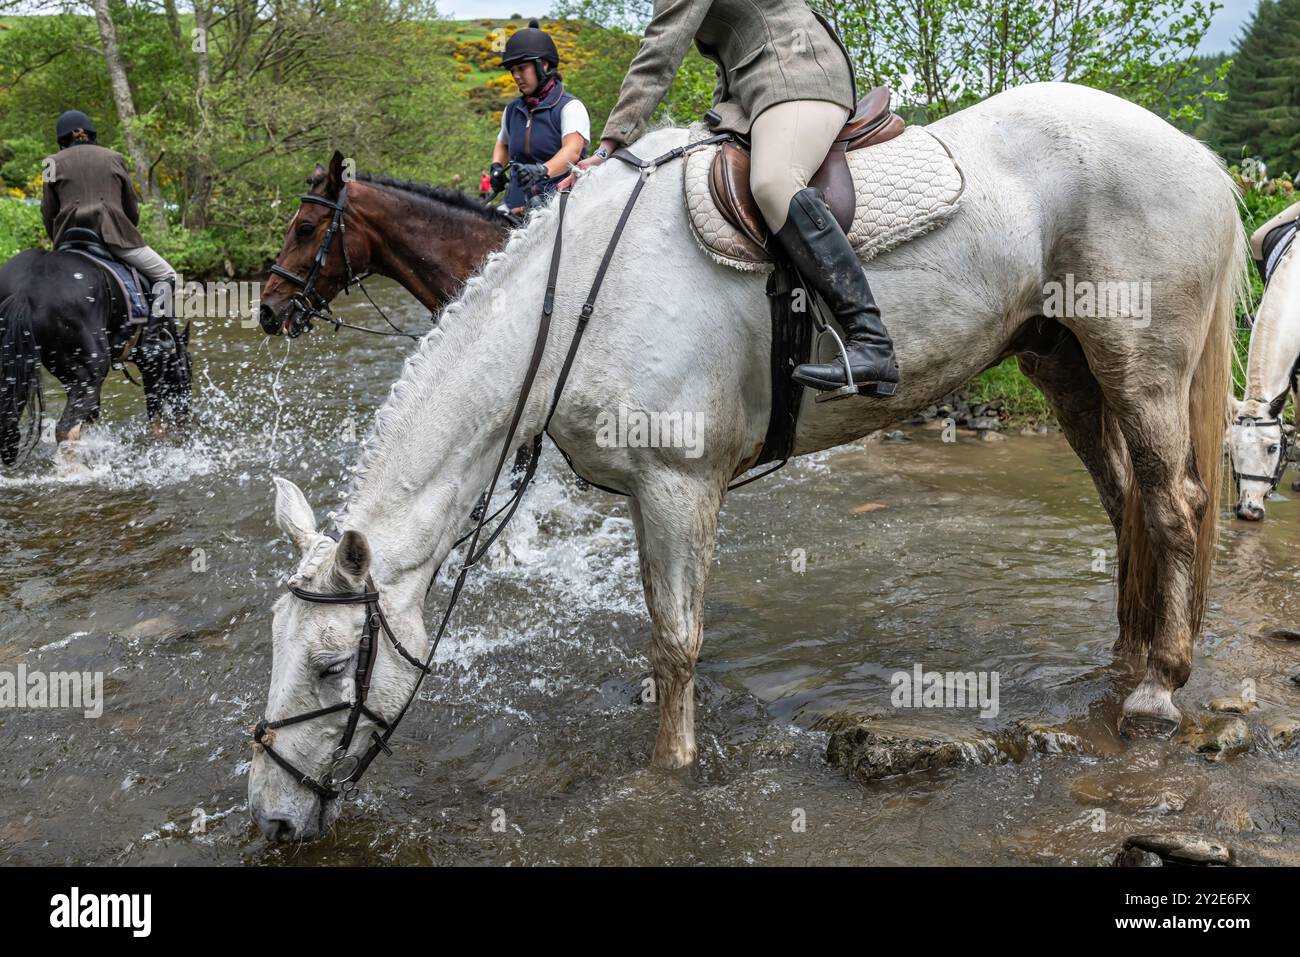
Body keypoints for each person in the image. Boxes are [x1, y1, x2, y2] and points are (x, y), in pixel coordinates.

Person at [563, 0, 898, 396]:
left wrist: (609, 146)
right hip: (756, 89)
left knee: (774, 181)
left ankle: (872, 341)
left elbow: (661, 48)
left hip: (797, 73)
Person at [41, 110, 177, 332]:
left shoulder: (50, 163)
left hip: (69, 239)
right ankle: (154, 333)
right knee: (167, 275)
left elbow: (47, 210)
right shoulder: (115, 158)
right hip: (111, 237)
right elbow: (131, 207)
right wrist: (126, 228)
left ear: (63, 138)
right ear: (90, 133)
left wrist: (57, 242)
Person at [490, 19, 590, 215]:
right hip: (514, 207)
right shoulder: (512, 110)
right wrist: (496, 167)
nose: (516, 76)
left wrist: (542, 171)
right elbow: (503, 143)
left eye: (521, 68)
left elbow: (572, 150)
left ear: (543, 65)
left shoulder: (570, 107)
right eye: (513, 70)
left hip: (559, 208)